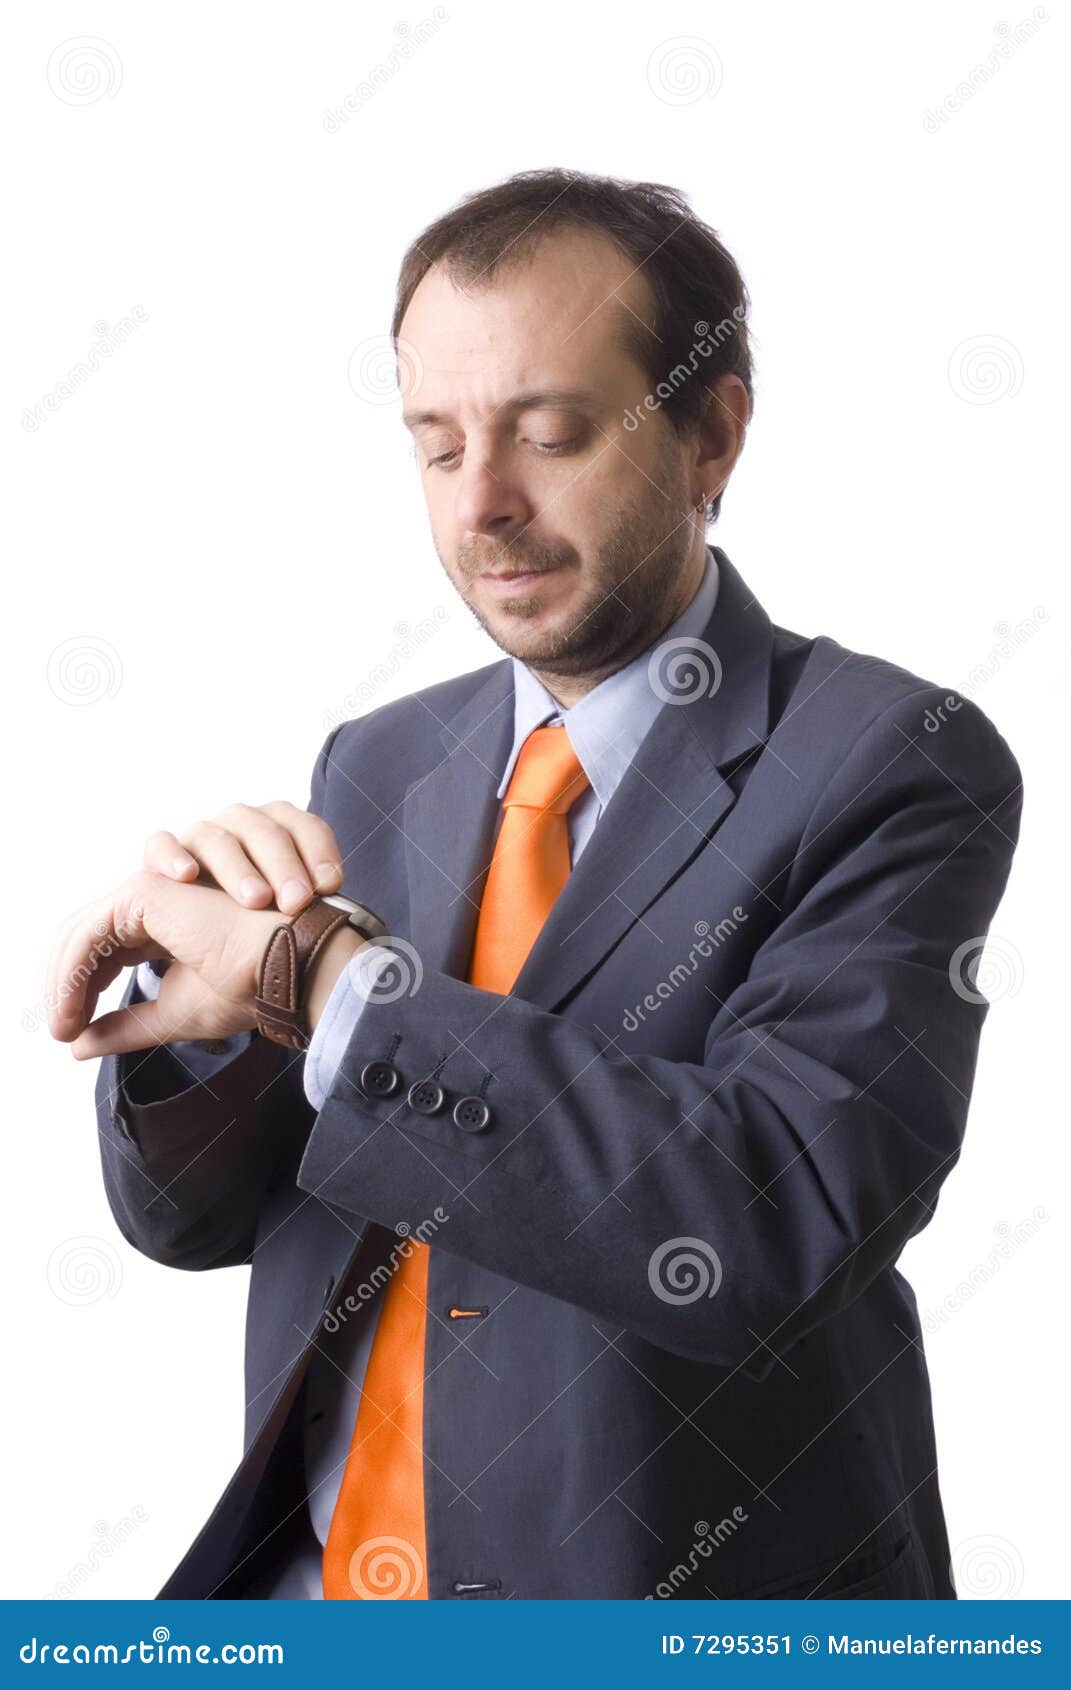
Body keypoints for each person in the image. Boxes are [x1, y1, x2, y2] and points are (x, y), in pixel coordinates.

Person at [48, 169, 1023, 1601]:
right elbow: (191, 1222)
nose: (485, 506)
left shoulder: (891, 759)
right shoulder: (378, 759)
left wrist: (328, 983)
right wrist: (211, 1016)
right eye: (437, 449)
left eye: (550, 434)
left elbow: (766, 1209)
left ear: (713, 433)